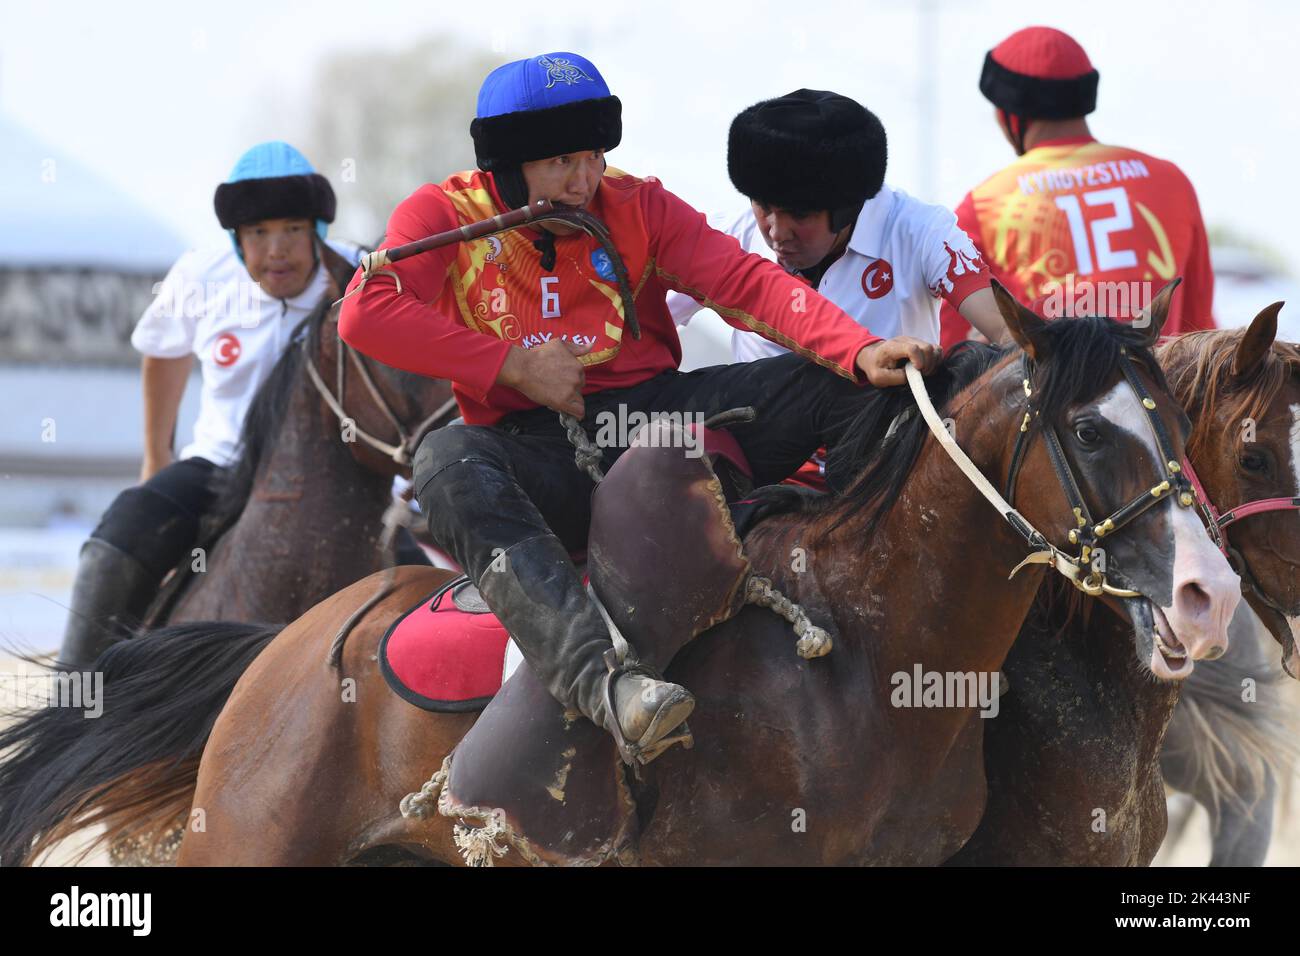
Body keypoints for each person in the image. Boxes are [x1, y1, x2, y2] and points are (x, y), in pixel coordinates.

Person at [338, 52, 939, 764]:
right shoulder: (441, 213)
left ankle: (882, 613)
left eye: (593, 156)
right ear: (505, 169)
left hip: (663, 424)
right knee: (443, 459)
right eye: (561, 161)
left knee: (851, 385)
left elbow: (748, 282)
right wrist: (511, 365)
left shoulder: (638, 204)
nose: (584, 180)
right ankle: (601, 682)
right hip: (537, 453)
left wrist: (857, 348)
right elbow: (364, 314)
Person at [59, 142, 357, 668]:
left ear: (318, 231)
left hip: (336, 477)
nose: (277, 250)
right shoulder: (201, 274)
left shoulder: (359, 277)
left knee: (418, 585)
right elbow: (162, 349)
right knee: (115, 541)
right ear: (236, 241)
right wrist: (156, 458)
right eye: (258, 234)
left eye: (291, 228)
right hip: (219, 467)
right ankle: (69, 708)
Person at [669, 88, 1004, 486]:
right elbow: (632, 327)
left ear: (849, 208)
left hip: (889, 470)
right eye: (763, 206)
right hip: (764, 475)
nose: (776, 232)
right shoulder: (727, 236)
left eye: (800, 214)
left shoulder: (923, 230)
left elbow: (1005, 331)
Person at [940, 25, 1215, 348]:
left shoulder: (986, 204)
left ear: (1008, 116)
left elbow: (949, 344)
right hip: (1160, 390)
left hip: (1054, 396)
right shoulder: (1171, 182)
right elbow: (1199, 325)